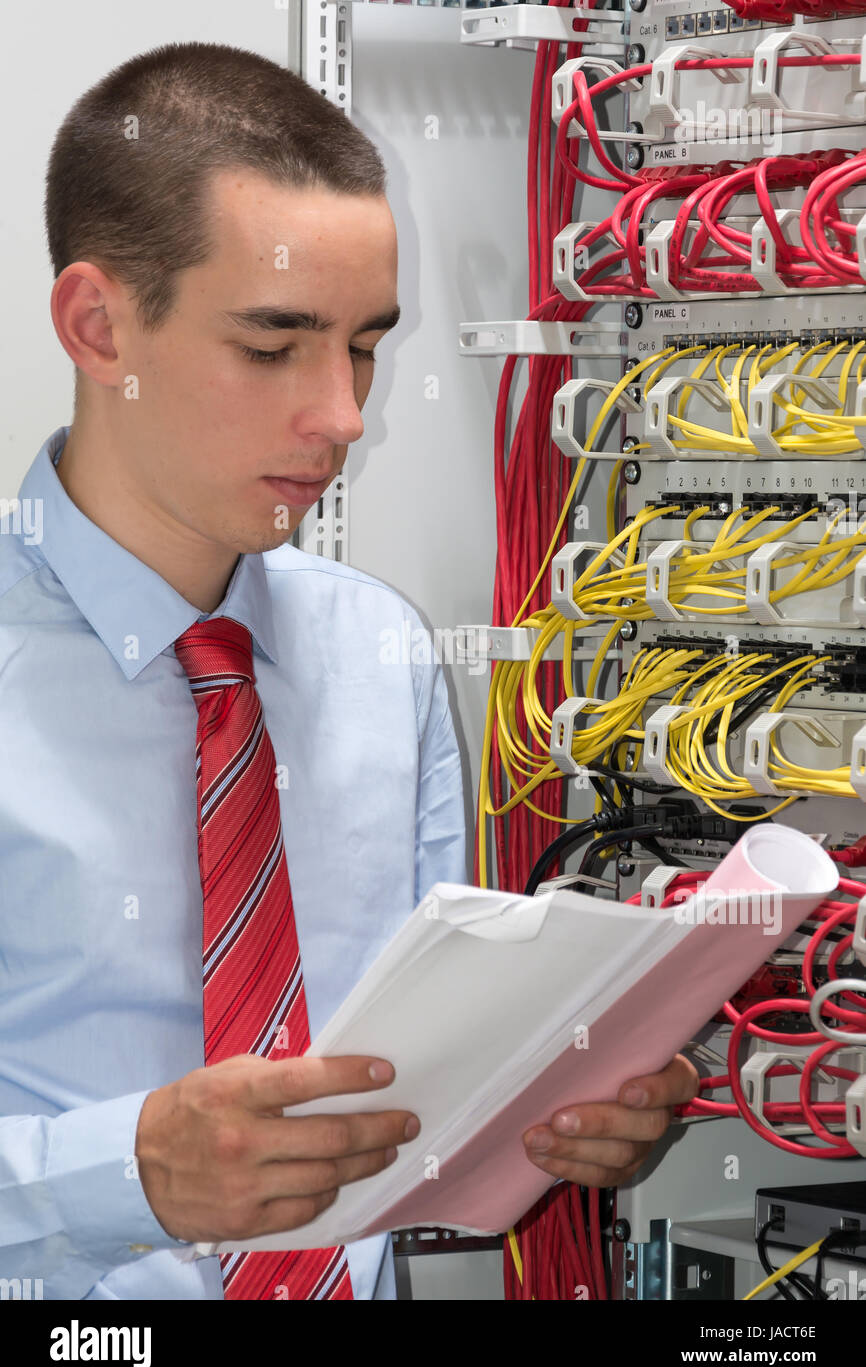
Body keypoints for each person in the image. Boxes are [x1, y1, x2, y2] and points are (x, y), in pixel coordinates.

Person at [0, 40, 698, 1301]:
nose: (343, 414)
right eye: (275, 346)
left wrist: (566, 1110)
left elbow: (420, 1077)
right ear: (100, 326)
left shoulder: (378, 652)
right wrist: (124, 1179)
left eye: (366, 345)